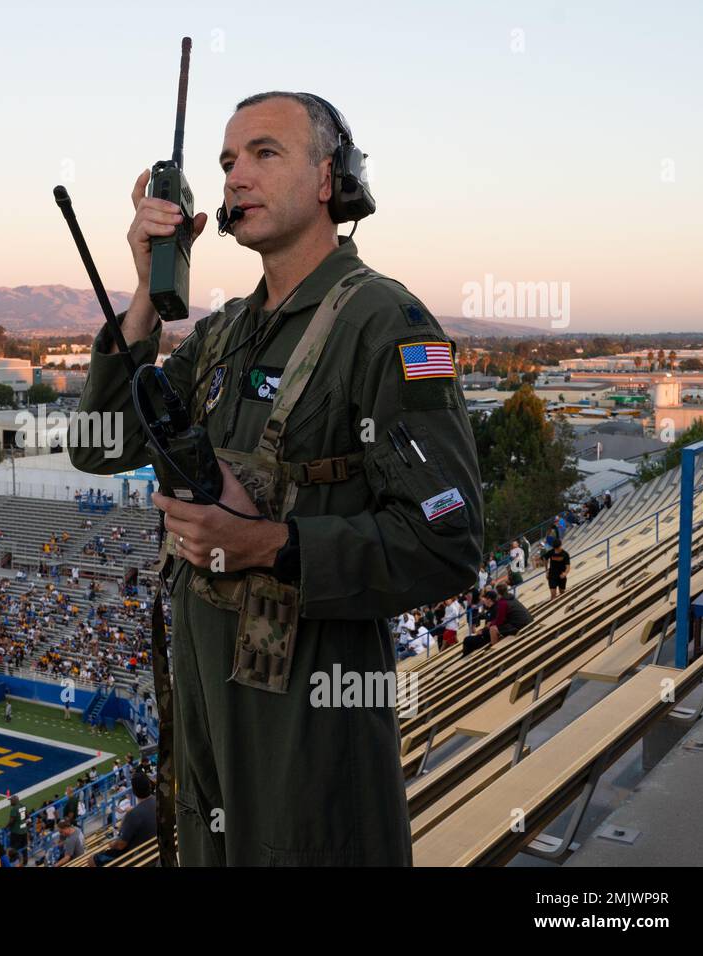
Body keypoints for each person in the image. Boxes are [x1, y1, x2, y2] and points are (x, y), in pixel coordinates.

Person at [69, 91, 482, 866]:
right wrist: (144, 292)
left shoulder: (386, 325)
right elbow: (99, 444)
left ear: (327, 179)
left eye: (265, 153)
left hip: (311, 728)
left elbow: (448, 544)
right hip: (207, 720)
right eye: (227, 162)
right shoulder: (225, 334)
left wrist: (266, 544)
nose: (236, 178)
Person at [92, 772, 158, 866]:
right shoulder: (158, 801)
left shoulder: (134, 814)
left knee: (91, 860)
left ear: (134, 791)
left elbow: (120, 845)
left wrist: (111, 844)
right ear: (149, 786)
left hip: (140, 856)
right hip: (155, 850)